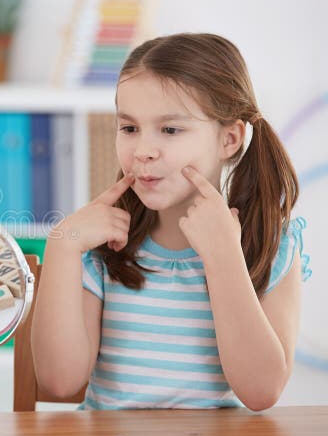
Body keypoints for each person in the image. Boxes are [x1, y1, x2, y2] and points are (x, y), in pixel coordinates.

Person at [32, 33, 311, 411]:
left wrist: (223, 256)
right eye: (129, 128)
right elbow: (60, 381)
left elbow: (261, 392)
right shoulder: (101, 245)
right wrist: (62, 245)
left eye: (170, 130)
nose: (143, 151)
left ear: (229, 139)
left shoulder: (271, 247)